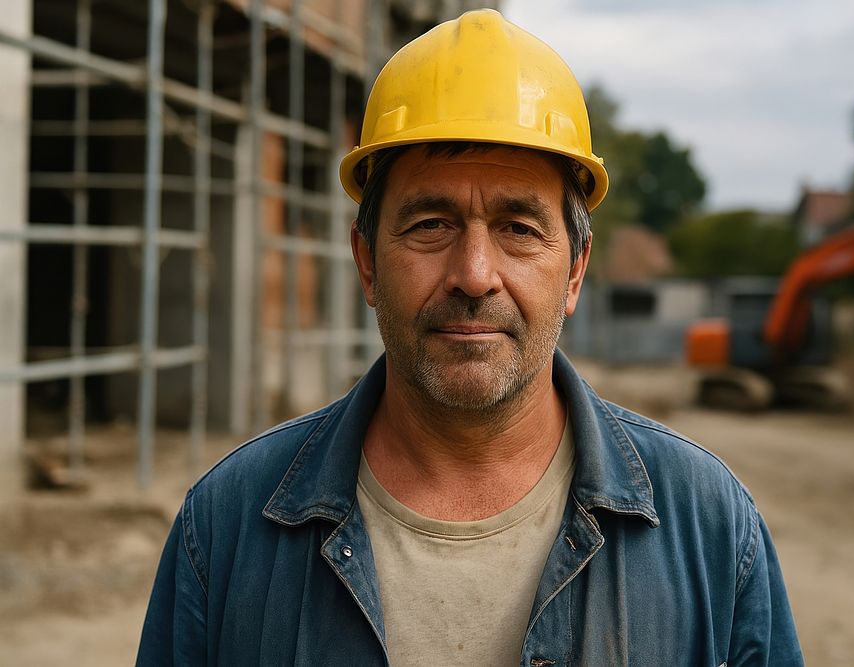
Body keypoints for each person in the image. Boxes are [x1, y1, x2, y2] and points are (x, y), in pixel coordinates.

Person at [138, 9, 803, 666]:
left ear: (574, 269)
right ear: (368, 261)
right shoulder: (225, 527)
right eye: (431, 223)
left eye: (518, 227)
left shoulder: (710, 526)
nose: (474, 275)